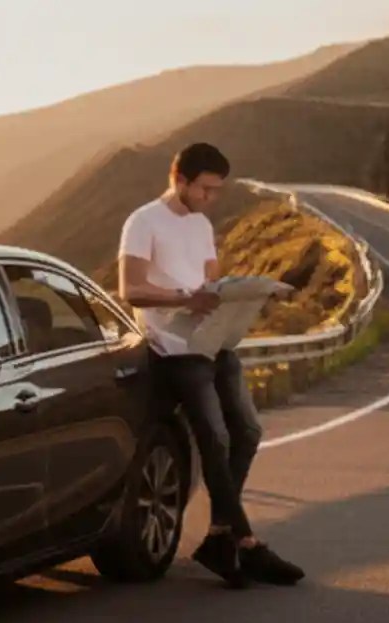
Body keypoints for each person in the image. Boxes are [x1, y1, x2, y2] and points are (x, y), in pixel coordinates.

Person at [117, 142, 304, 588]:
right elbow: (131, 289)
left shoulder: (201, 225)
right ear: (179, 179)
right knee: (215, 438)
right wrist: (185, 298)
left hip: (212, 339)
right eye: (205, 189)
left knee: (248, 431)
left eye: (217, 191)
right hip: (173, 346)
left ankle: (220, 536)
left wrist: (243, 296)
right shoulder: (142, 222)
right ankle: (246, 543)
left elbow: (210, 282)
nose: (211, 198)